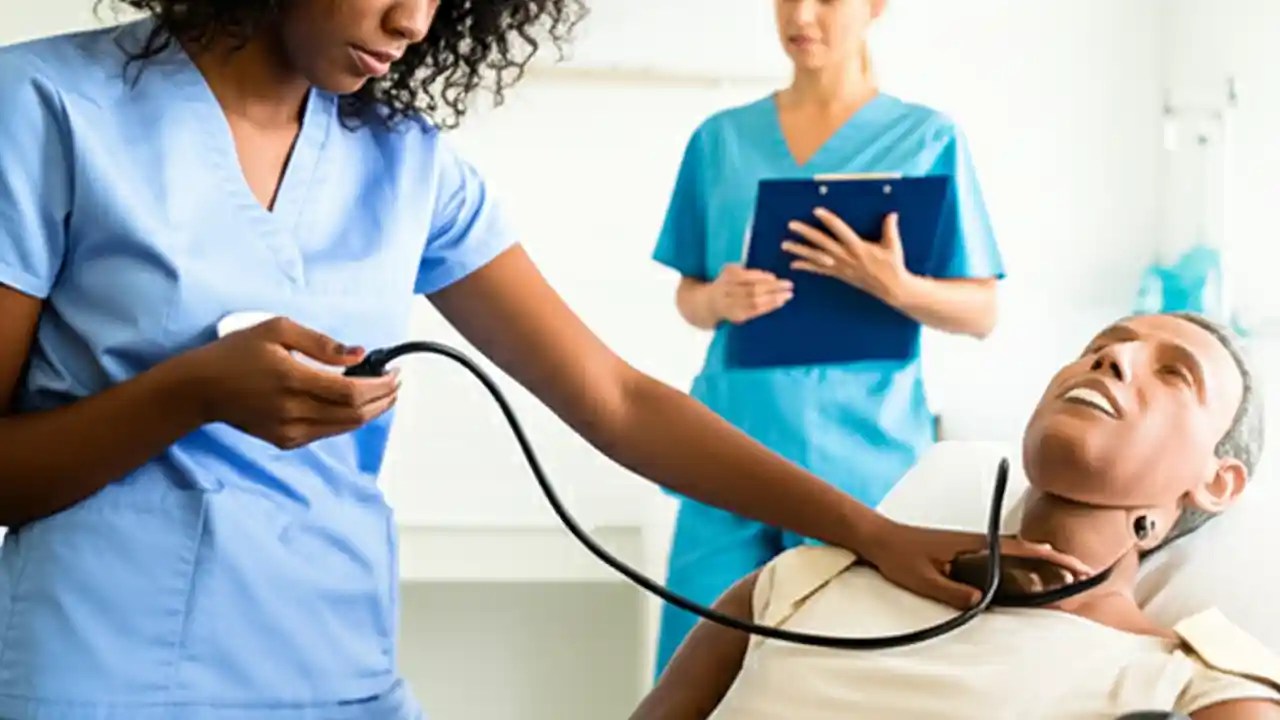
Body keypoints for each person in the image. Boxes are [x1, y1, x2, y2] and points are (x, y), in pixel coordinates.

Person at [0, 2, 1082, 718]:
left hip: (336, 668)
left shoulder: (405, 165)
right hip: (105, 669)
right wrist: (188, 393)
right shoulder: (45, 109)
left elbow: (610, 396)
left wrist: (870, 530)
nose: (412, 19)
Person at [632, 312, 1278, 720]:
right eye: (1103, 346)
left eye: (1174, 374)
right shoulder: (799, 587)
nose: (1113, 359)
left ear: (1218, 483)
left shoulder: (1195, 691)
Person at [650, 0, 1005, 674]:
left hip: (864, 464)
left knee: (849, 679)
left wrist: (898, 287)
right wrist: (716, 297)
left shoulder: (927, 138)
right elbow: (689, 298)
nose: (802, 15)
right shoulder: (720, 140)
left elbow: (982, 310)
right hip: (727, 446)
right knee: (694, 674)